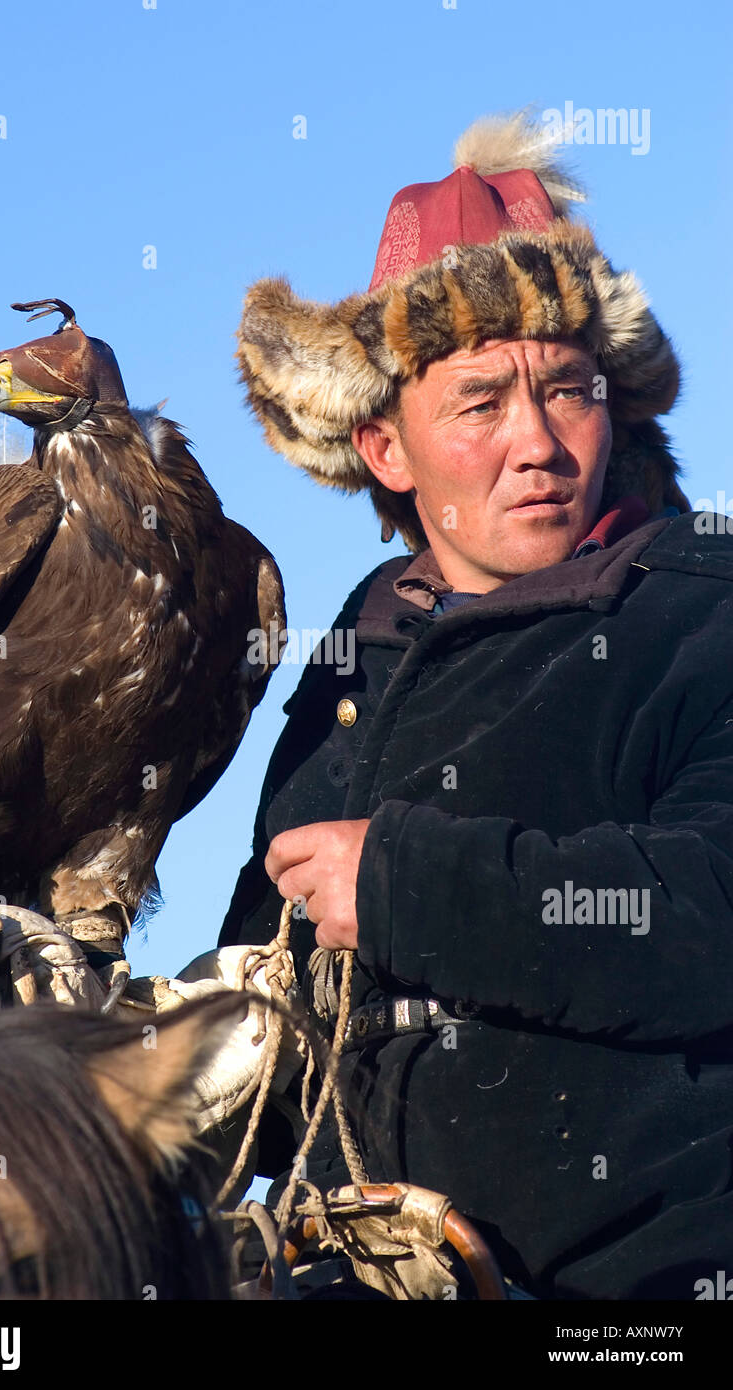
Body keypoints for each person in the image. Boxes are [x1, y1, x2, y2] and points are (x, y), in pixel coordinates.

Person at [219, 111, 733, 1299]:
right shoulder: (357, 649)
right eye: (482, 400)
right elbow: (272, 961)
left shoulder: (697, 605)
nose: (539, 442)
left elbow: (710, 911)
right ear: (386, 448)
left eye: (569, 390)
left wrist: (407, 888)